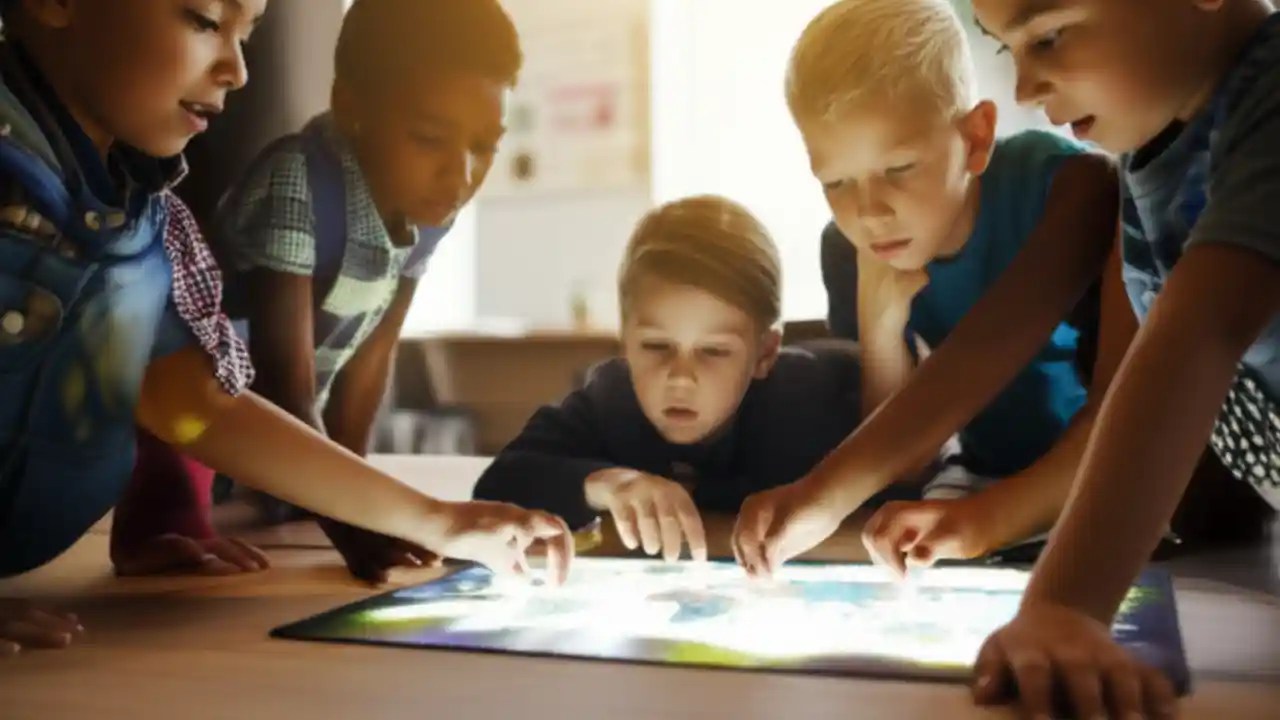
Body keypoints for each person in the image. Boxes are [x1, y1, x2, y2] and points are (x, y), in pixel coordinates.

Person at [0, 0, 572, 656]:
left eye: (248, 35)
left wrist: (439, 521)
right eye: (204, 20)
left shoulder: (145, 225)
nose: (238, 70)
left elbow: (195, 405)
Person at [731, 0, 1126, 577]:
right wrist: (880, 326)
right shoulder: (849, 250)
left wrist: (824, 492)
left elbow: (991, 346)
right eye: (836, 181)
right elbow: (907, 459)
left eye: (898, 169)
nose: (869, 212)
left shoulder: (1065, 184)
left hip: (1097, 469)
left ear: (975, 137)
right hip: (975, 475)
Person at [473, 195, 862, 562]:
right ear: (624, 341)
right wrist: (607, 484)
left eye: (713, 351)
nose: (680, 378)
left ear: (764, 354)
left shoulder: (811, 404)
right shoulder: (610, 400)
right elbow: (498, 486)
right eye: (657, 346)